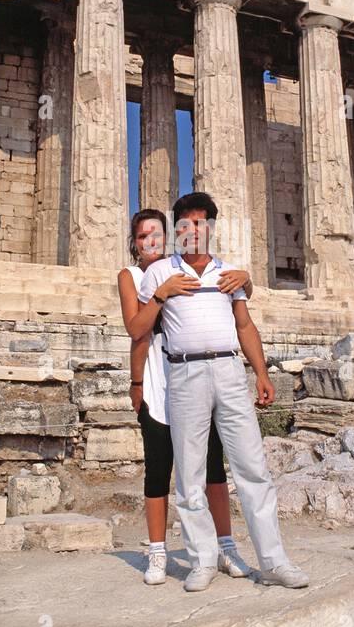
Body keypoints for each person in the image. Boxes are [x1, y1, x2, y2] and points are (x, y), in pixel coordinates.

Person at [133, 192, 309, 593]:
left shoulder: (230, 274)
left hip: (229, 370)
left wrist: (261, 373)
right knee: (190, 473)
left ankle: (275, 561)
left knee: (252, 468)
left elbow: (244, 326)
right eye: (184, 225)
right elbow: (137, 329)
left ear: (210, 229)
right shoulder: (159, 274)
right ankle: (201, 561)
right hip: (185, 373)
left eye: (200, 224)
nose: (192, 231)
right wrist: (162, 295)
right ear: (176, 231)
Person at [118, 208, 253, 586]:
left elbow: (231, 298)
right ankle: (158, 552)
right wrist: (136, 383)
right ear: (134, 242)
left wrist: (249, 281)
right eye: (143, 236)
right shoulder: (133, 276)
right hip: (158, 375)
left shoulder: (185, 268)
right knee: (159, 468)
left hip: (194, 373)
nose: (151, 242)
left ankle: (225, 547)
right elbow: (136, 331)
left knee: (211, 465)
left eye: (157, 234)